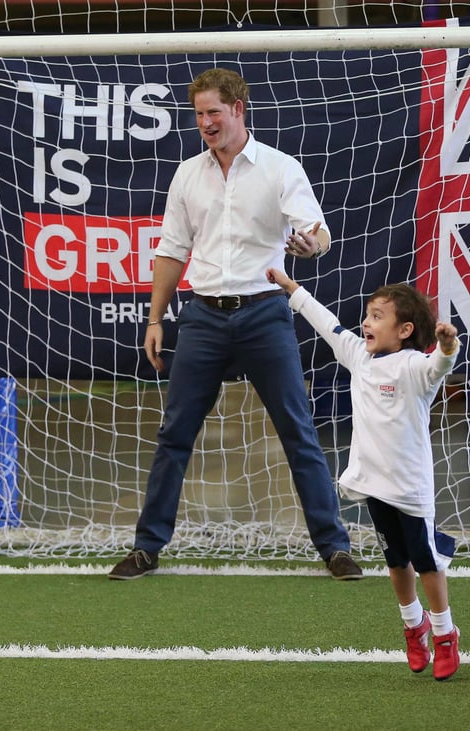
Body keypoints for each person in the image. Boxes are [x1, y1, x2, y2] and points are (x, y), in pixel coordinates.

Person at [108, 67, 363, 581]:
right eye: (199, 114)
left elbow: (318, 232)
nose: (206, 122)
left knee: (298, 431)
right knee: (174, 433)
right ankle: (146, 548)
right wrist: (156, 319)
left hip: (265, 313)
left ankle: (334, 548)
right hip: (201, 316)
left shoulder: (278, 168)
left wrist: (312, 244)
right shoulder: (187, 174)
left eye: (214, 113)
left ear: (239, 109)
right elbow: (171, 251)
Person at [265, 267, 462, 681]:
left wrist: (447, 347)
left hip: (410, 489)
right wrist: (290, 288)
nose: (366, 323)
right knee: (395, 561)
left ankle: (445, 633)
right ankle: (414, 627)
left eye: (377, 317)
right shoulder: (359, 356)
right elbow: (325, 322)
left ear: (405, 329)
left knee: (426, 561)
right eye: (367, 314)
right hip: (374, 485)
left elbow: (438, 368)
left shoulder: (413, 367)